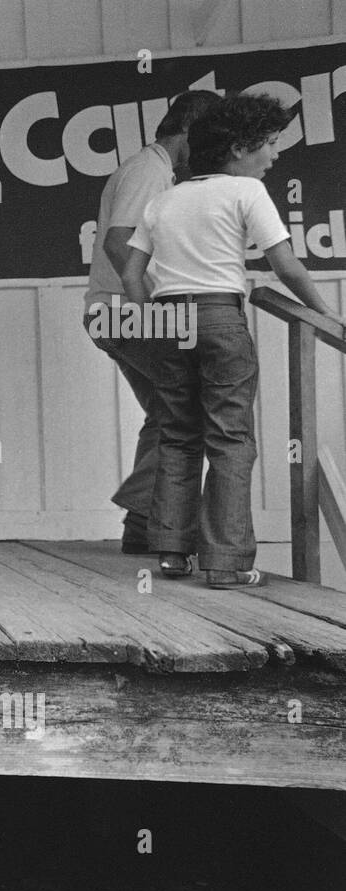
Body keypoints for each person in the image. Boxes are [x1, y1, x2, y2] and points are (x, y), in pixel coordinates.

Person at [122, 93, 344, 588]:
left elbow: (133, 270)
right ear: (239, 148)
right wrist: (328, 312)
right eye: (269, 143)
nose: (275, 155)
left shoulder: (165, 198)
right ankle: (226, 561)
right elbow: (284, 264)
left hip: (168, 321)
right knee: (231, 437)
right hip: (220, 315)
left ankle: (172, 553)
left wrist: (148, 317)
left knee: (178, 434)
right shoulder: (246, 193)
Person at [84, 90, 221, 553]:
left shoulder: (153, 170)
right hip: (124, 311)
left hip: (115, 310)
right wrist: (154, 309)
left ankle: (143, 525)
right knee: (191, 409)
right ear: (190, 131)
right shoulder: (149, 171)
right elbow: (119, 243)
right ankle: (147, 515)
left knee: (170, 411)